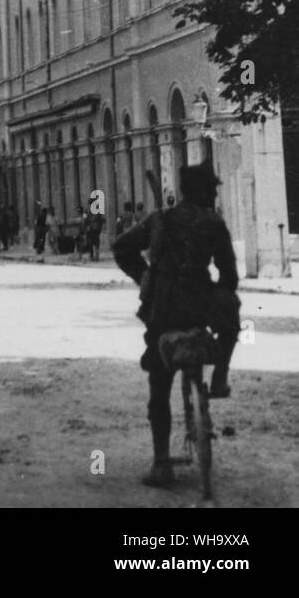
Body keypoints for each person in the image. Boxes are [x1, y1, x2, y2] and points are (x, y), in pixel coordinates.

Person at [112, 162, 240, 489]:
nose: (214, 196)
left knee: (159, 384)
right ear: (200, 192)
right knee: (232, 311)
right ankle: (221, 372)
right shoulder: (213, 223)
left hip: (164, 307)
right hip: (200, 303)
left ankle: (160, 463)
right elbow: (230, 276)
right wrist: (221, 297)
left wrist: (144, 276)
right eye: (211, 190)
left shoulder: (160, 220)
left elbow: (120, 247)